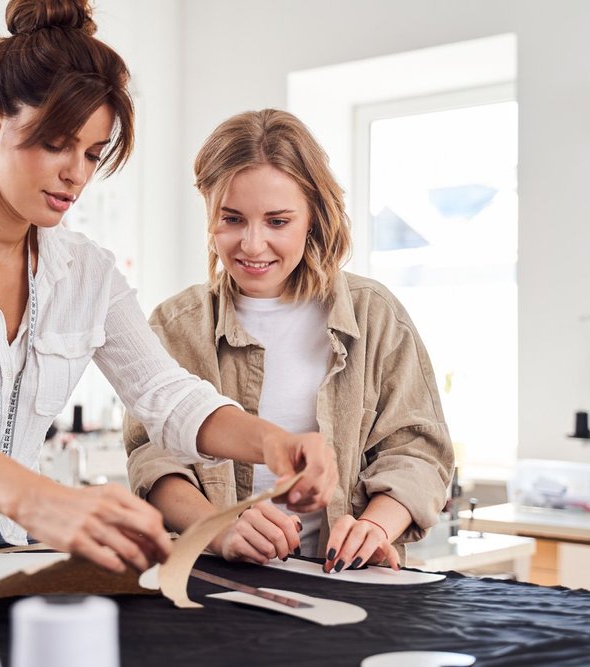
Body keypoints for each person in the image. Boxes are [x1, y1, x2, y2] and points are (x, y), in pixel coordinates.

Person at [0, 1, 337, 575]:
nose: (76, 173)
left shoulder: (87, 272)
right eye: (56, 144)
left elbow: (169, 396)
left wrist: (271, 441)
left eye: (92, 154)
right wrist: (38, 499)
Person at [125, 109, 453, 573]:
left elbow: (418, 449)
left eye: (277, 222)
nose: (253, 245)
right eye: (232, 219)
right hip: (216, 579)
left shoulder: (375, 314)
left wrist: (375, 528)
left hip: (345, 577)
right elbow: (152, 457)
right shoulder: (176, 324)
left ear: (313, 217)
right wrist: (219, 530)